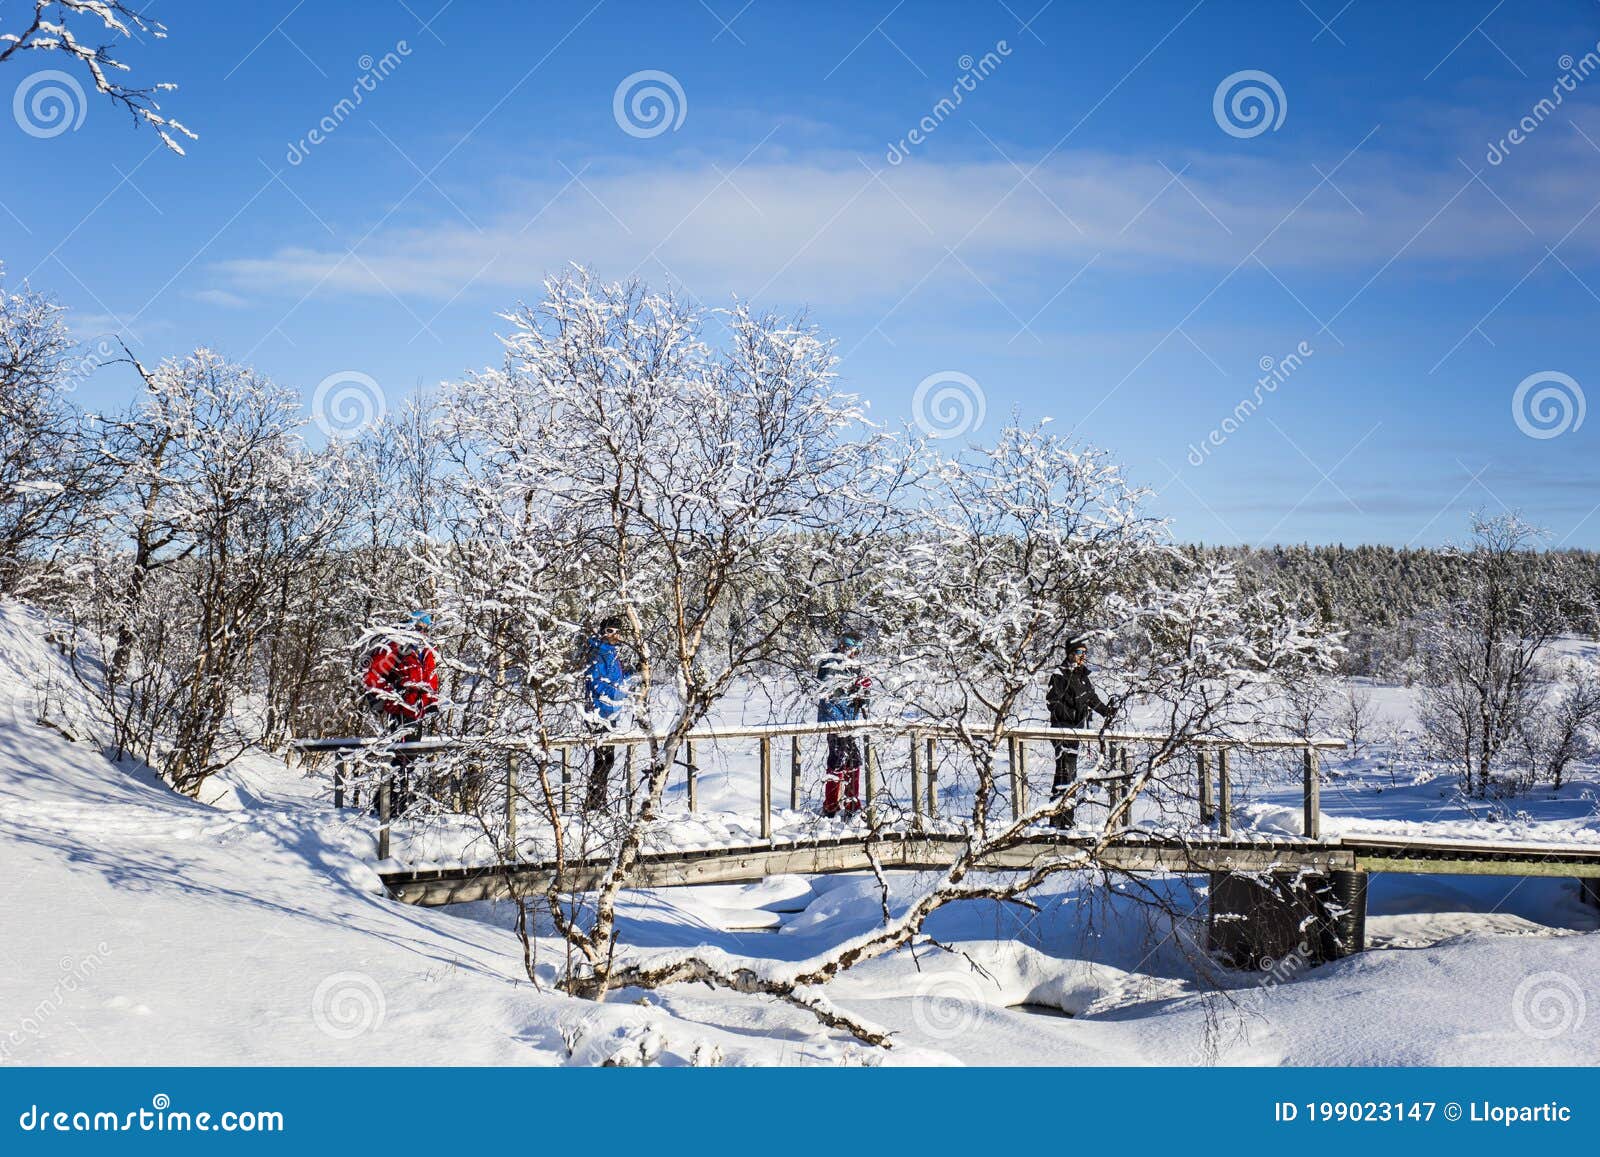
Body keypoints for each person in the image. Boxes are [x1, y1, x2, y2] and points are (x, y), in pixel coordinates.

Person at [359, 610, 441, 816]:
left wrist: (432, 703)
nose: (422, 632)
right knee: (402, 758)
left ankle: (393, 805)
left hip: (419, 710)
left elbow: (430, 678)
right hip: (401, 710)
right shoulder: (396, 647)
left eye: (425, 628)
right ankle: (389, 807)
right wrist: (393, 698)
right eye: (418, 627)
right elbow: (371, 676)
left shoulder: (427, 649)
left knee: (409, 759)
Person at [1044, 635, 1115, 829]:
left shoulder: (1082, 676)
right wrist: (1072, 715)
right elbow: (1053, 702)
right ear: (1069, 653)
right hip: (1062, 731)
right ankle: (1061, 820)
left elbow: (1091, 698)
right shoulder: (1060, 674)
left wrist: (1107, 711)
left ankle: (1062, 820)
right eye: (1079, 652)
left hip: (1076, 732)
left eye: (1085, 652)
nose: (1082, 656)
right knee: (1066, 773)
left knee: (1068, 774)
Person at [817, 628, 870, 818]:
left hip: (850, 720)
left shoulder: (856, 665)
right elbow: (826, 685)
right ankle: (831, 806)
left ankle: (852, 803)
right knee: (838, 758)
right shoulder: (830, 661)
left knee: (853, 759)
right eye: (851, 649)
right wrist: (850, 687)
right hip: (833, 717)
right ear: (842, 646)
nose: (854, 654)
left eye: (857, 651)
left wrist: (863, 692)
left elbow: (862, 697)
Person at [583, 616, 632, 812]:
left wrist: (632, 674)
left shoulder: (611, 653)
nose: (615, 635)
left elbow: (617, 680)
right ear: (603, 631)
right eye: (611, 631)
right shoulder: (598, 653)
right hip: (598, 712)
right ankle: (594, 805)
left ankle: (597, 803)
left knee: (606, 760)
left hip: (611, 713)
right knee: (603, 760)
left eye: (618, 632)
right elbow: (598, 684)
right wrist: (620, 692)